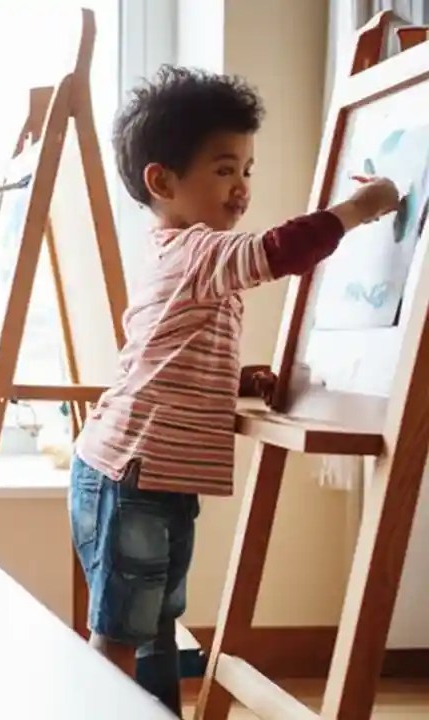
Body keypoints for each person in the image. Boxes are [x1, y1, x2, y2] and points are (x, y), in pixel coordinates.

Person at [70, 65, 400, 715]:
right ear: (162, 181)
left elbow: (173, 352)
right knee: (122, 631)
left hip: (157, 477)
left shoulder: (188, 258)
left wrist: (237, 377)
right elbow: (282, 250)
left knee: (159, 619)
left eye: (247, 170)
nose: (243, 187)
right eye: (225, 170)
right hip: (132, 473)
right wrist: (359, 210)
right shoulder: (194, 249)